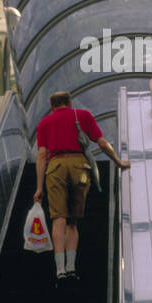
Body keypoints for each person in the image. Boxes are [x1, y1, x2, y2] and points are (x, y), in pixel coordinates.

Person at [34, 90, 130, 283]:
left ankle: (59, 270)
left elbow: (42, 155)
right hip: (80, 167)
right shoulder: (83, 116)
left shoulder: (44, 123)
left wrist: (39, 188)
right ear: (69, 103)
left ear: (52, 106)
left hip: (55, 167)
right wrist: (118, 162)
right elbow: (102, 144)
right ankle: (71, 268)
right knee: (73, 222)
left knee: (58, 219)